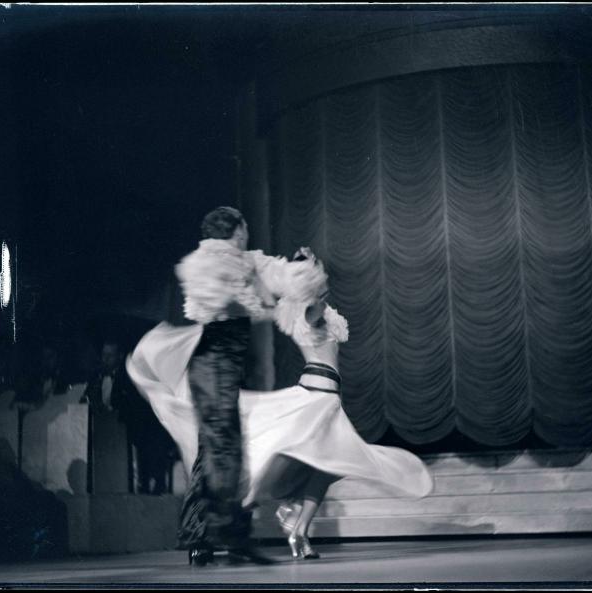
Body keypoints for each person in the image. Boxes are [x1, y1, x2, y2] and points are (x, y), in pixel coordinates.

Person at [127, 247, 434, 561]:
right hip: (315, 397)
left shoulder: (317, 310)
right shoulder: (305, 310)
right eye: (303, 274)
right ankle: (254, 515)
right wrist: (311, 273)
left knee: (324, 469)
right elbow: (316, 300)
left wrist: (313, 268)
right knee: (306, 460)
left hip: (328, 397)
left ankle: (298, 529)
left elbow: (320, 301)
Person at [168, 206, 298, 566]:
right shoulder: (209, 263)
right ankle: (214, 534)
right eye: (245, 228)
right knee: (218, 451)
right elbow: (217, 301)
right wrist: (260, 303)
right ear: (237, 230)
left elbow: (272, 280)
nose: (248, 233)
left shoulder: (243, 261)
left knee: (221, 451)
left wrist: (295, 273)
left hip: (223, 369)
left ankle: (217, 534)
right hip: (210, 366)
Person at [82, 339, 175, 495]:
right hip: (103, 433)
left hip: (127, 431)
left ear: (119, 357)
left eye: (110, 356)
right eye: (104, 355)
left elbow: (135, 406)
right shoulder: (96, 377)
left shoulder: (129, 378)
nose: (105, 359)